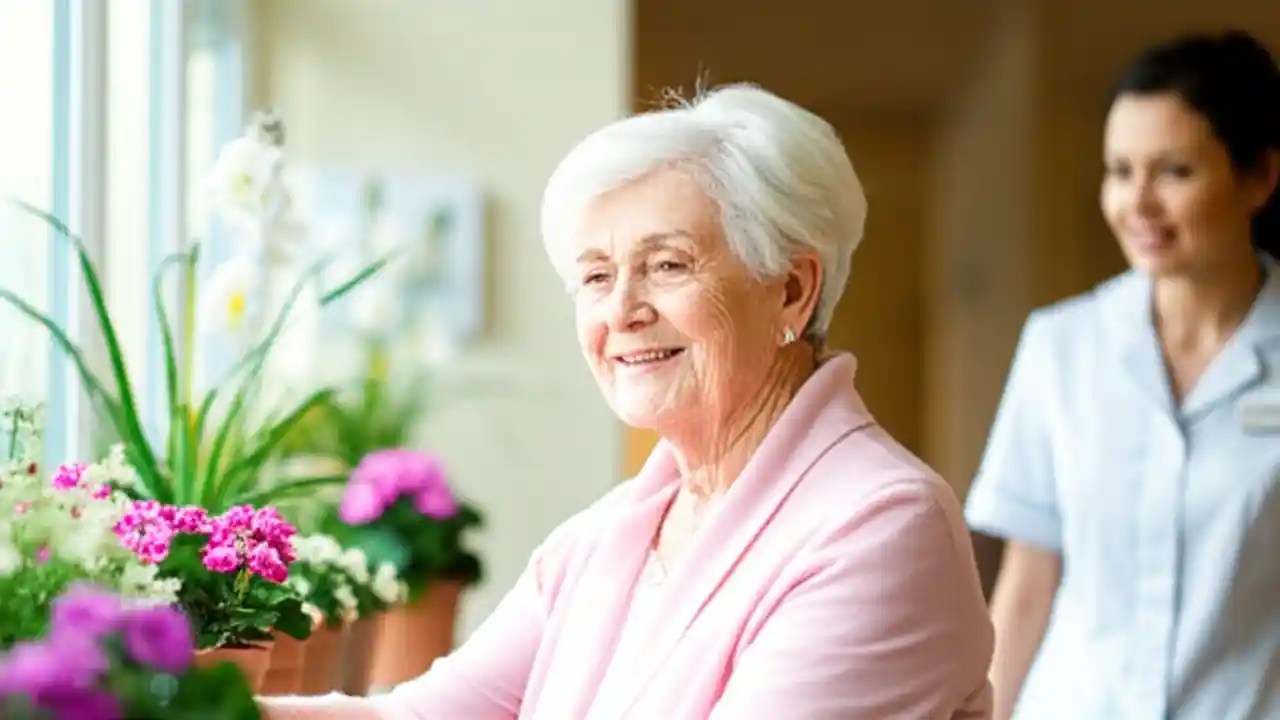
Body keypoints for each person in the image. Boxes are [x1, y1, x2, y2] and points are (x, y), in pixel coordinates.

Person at [260, 84, 993, 718]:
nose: (623, 311)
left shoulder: (880, 525)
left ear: (792, 290)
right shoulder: (605, 537)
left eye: (668, 265)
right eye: (597, 277)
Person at [965, 30, 1280, 720]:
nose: (1137, 203)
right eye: (1119, 170)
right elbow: (1027, 586)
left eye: (1174, 172)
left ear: (1259, 177)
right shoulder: (1060, 345)